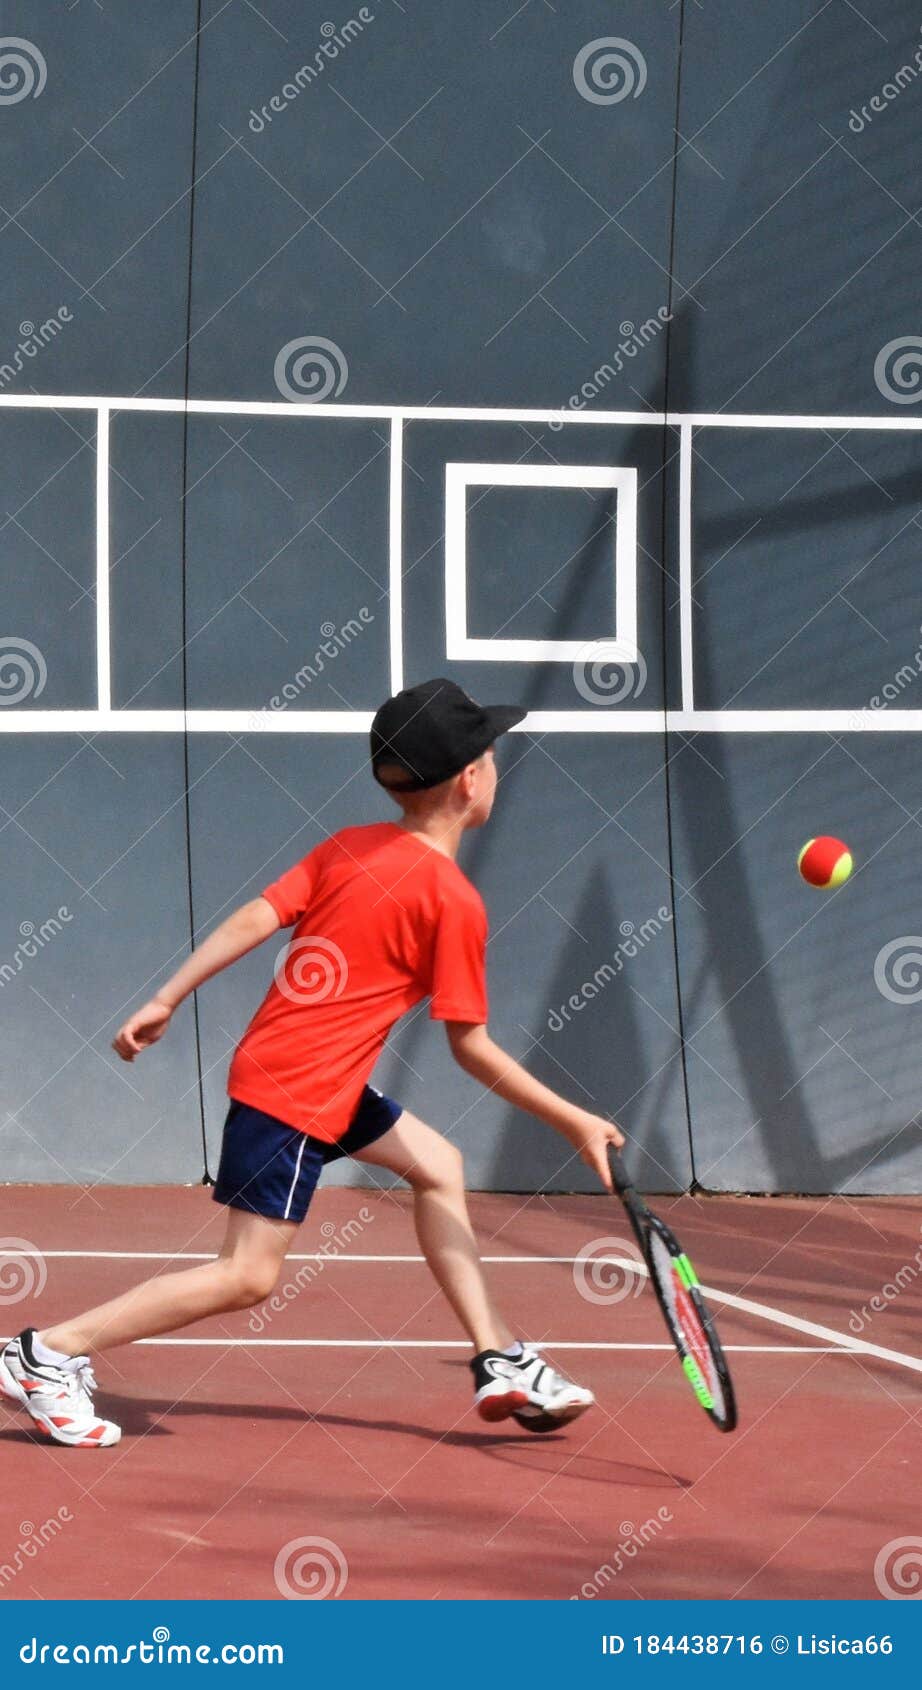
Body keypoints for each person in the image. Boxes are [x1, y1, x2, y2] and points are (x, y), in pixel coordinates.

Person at [0, 678, 623, 1448]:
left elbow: (258, 915)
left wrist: (169, 996)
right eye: (492, 755)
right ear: (471, 779)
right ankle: (44, 1354)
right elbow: (471, 1049)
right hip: (298, 1091)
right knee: (247, 1277)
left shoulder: (349, 846)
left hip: (303, 1074)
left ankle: (500, 1357)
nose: (495, 764)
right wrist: (574, 1121)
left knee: (438, 1165)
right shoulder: (454, 901)